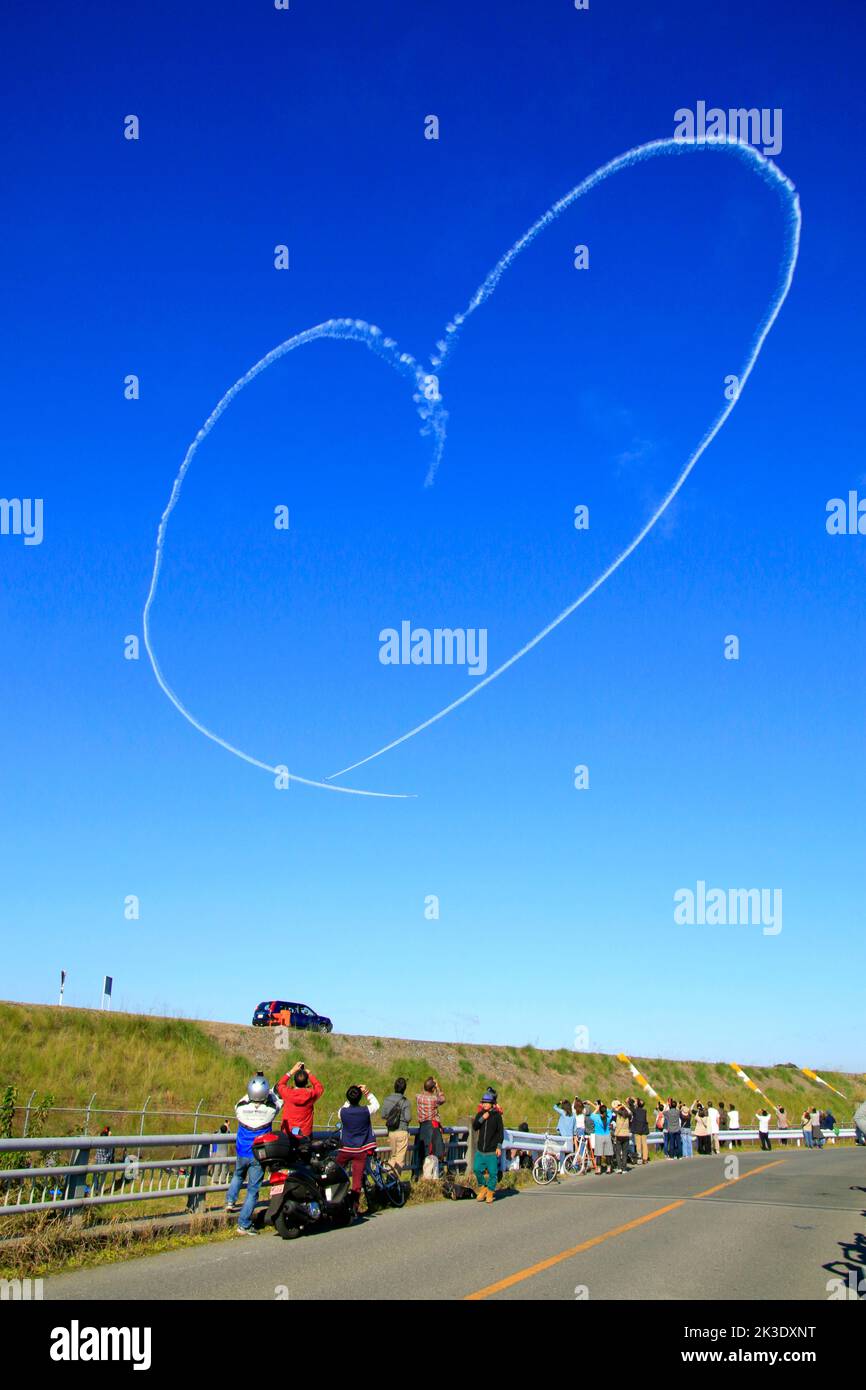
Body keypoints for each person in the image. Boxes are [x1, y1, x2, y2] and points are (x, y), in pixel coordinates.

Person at [226, 1072, 282, 1234]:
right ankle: (243, 1223)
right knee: (253, 1190)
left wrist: (256, 1082)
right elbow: (277, 1101)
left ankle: (230, 1201)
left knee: (237, 1175)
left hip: (242, 1151)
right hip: (258, 1154)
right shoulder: (270, 1111)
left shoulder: (241, 1109)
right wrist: (270, 1090)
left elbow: (243, 1099)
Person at [337, 1085, 379, 1219]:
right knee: (357, 1181)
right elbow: (376, 1105)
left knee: (335, 1173)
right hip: (360, 1151)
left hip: (345, 1149)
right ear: (360, 1097)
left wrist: (350, 1097)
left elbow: (344, 1107)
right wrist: (367, 1092)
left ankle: (334, 1200)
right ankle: (354, 1208)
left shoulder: (342, 1112)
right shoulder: (365, 1111)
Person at [277, 1061, 324, 1138]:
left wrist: (292, 1071)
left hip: (288, 1133)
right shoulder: (311, 1094)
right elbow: (319, 1087)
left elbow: (280, 1084)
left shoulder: (288, 1093)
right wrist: (310, 1074)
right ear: (307, 1082)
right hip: (305, 1134)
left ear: (294, 1081)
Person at [472, 1089, 503, 1202]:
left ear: (492, 1104)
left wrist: (499, 1147)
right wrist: (482, 1118)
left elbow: (500, 1133)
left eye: (487, 1102)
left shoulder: (497, 1116)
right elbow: (475, 1126)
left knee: (493, 1173)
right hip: (480, 1150)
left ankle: (490, 1192)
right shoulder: (480, 1114)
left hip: (491, 1151)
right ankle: (483, 1187)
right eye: (483, 1102)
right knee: (476, 1169)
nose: (484, 1104)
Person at [416, 1076, 447, 1176]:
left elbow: (424, 1090)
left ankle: (424, 1176)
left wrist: (428, 1084)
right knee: (433, 1154)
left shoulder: (418, 1097)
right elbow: (442, 1099)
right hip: (432, 1128)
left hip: (422, 1128)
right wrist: (438, 1087)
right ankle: (432, 1178)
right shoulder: (434, 1099)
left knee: (426, 1153)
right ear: (433, 1089)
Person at [381, 1077, 412, 1175]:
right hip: (402, 1131)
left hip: (391, 1132)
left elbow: (383, 1115)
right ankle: (395, 1182)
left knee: (393, 1157)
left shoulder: (387, 1099)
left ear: (395, 1087)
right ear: (404, 1089)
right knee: (399, 1159)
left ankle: (389, 1181)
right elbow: (408, 1118)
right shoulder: (406, 1102)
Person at [553, 1098, 577, 1170]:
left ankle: (562, 1167)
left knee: (561, 1151)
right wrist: (574, 1135)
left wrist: (559, 1102)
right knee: (569, 1153)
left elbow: (554, 1107)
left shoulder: (563, 1113)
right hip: (570, 1137)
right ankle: (570, 1167)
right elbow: (575, 1128)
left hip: (562, 1136)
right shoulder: (573, 1116)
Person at [592, 1103, 614, 1174]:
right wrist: (603, 1105)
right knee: (608, 1153)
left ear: (600, 1111)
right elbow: (610, 1111)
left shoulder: (596, 1117)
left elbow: (591, 1115)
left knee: (598, 1154)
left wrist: (597, 1108)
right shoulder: (608, 1117)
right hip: (607, 1135)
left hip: (598, 1136)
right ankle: (608, 1169)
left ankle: (598, 1170)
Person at [93, 1127, 115, 1195]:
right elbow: (110, 1153)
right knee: (103, 1177)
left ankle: (95, 1189)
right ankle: (99, 1190)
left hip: (97, 1160)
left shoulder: (98, 1141)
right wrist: (110, 1137)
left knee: (96, 1175)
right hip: (104, 1161)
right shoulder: (108, 1143)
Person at [612, 1101, 632, 1174]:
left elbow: (614, 1109)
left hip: (619, 1135)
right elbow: (629, 1112)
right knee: (624, 1152)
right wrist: (624, 1105)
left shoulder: (618, 1116)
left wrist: (618, 1105)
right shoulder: (627, 1117)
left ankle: (619, 1167)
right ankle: (624, 1168)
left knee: (618, 1152)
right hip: (626, 1135)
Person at [631, 1097, 649, 1165]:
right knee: (644, 1144)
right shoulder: (644, 1111)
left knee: (638, 1145)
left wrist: (634, 1101)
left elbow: (632, 1107)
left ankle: (639, 1158)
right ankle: (645, 1158)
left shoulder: (635, 1110)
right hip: (644, 1129)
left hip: (637, 1129)